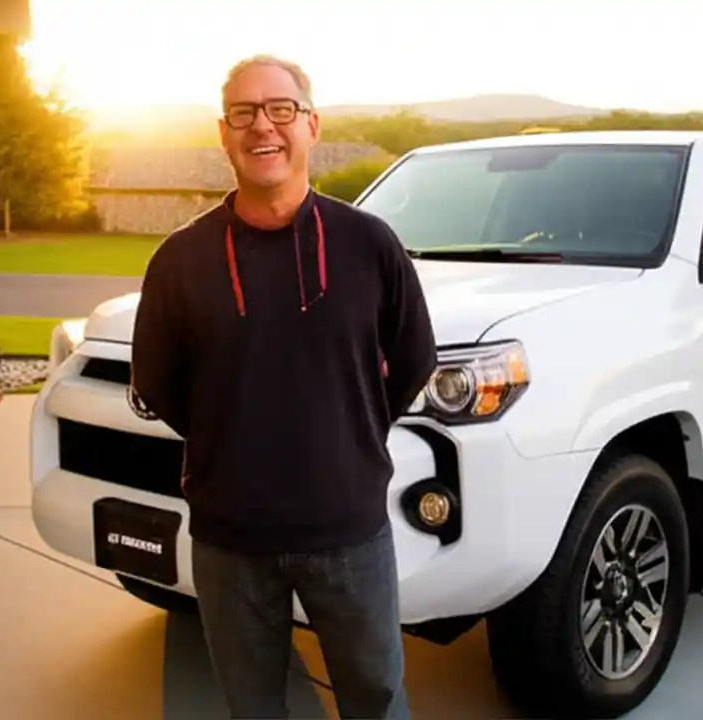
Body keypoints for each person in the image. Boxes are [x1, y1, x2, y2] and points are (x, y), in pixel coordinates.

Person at [129, 54, 436, 719]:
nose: (261, 126)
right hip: (229, 540)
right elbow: (159, 382)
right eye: (243, 113)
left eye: (280, 109)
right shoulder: (180, 260)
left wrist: (346, 434)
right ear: (223, 131)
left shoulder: (369, 245)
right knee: (253, 707)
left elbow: (413, 359)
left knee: (376, 699)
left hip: (349, 532)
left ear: (312, 125)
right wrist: (232, 435)